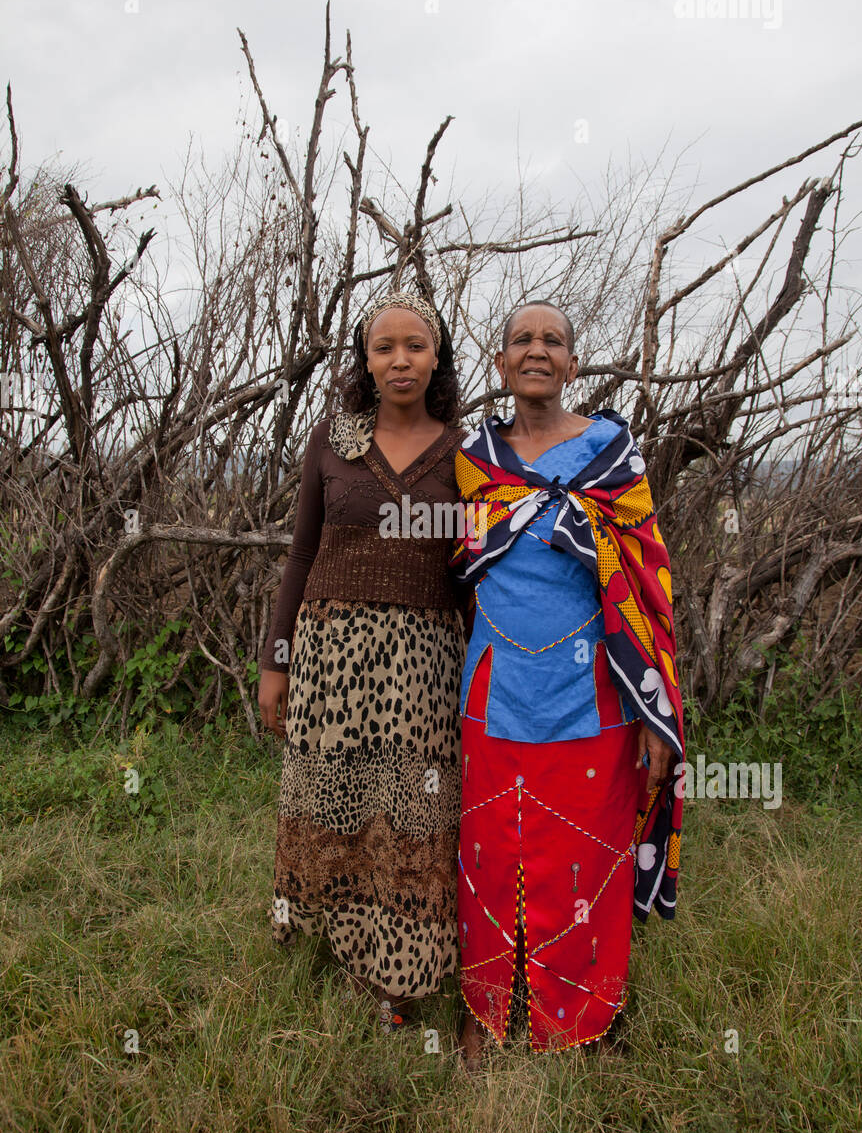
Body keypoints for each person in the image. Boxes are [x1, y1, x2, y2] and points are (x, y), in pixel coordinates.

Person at [451, 301, 685, 1067]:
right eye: (523, 340)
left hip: (593, 689)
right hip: (496, 683)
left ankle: (584, 1018)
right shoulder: (475, 460)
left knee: (586, 853)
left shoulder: (614, 455)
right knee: (490, 848)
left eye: (553, 340)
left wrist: (655, 711)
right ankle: (487, 1012)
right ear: (501, 363)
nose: (538, 350)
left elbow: (648, 588)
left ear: (574, 364)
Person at [258, 291, 468, 1031]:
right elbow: (303, 552)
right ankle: (344, 947)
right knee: (335, 799)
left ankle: (402, 973)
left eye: (415, 345)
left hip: (427, 661)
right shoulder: (333, 439)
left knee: (413, 810)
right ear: (366, 360)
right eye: (385, 348)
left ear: (436, 357)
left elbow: (476, 568)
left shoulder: (465, 451)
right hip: (330, 653)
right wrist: (275, 660)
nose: (400, 359)